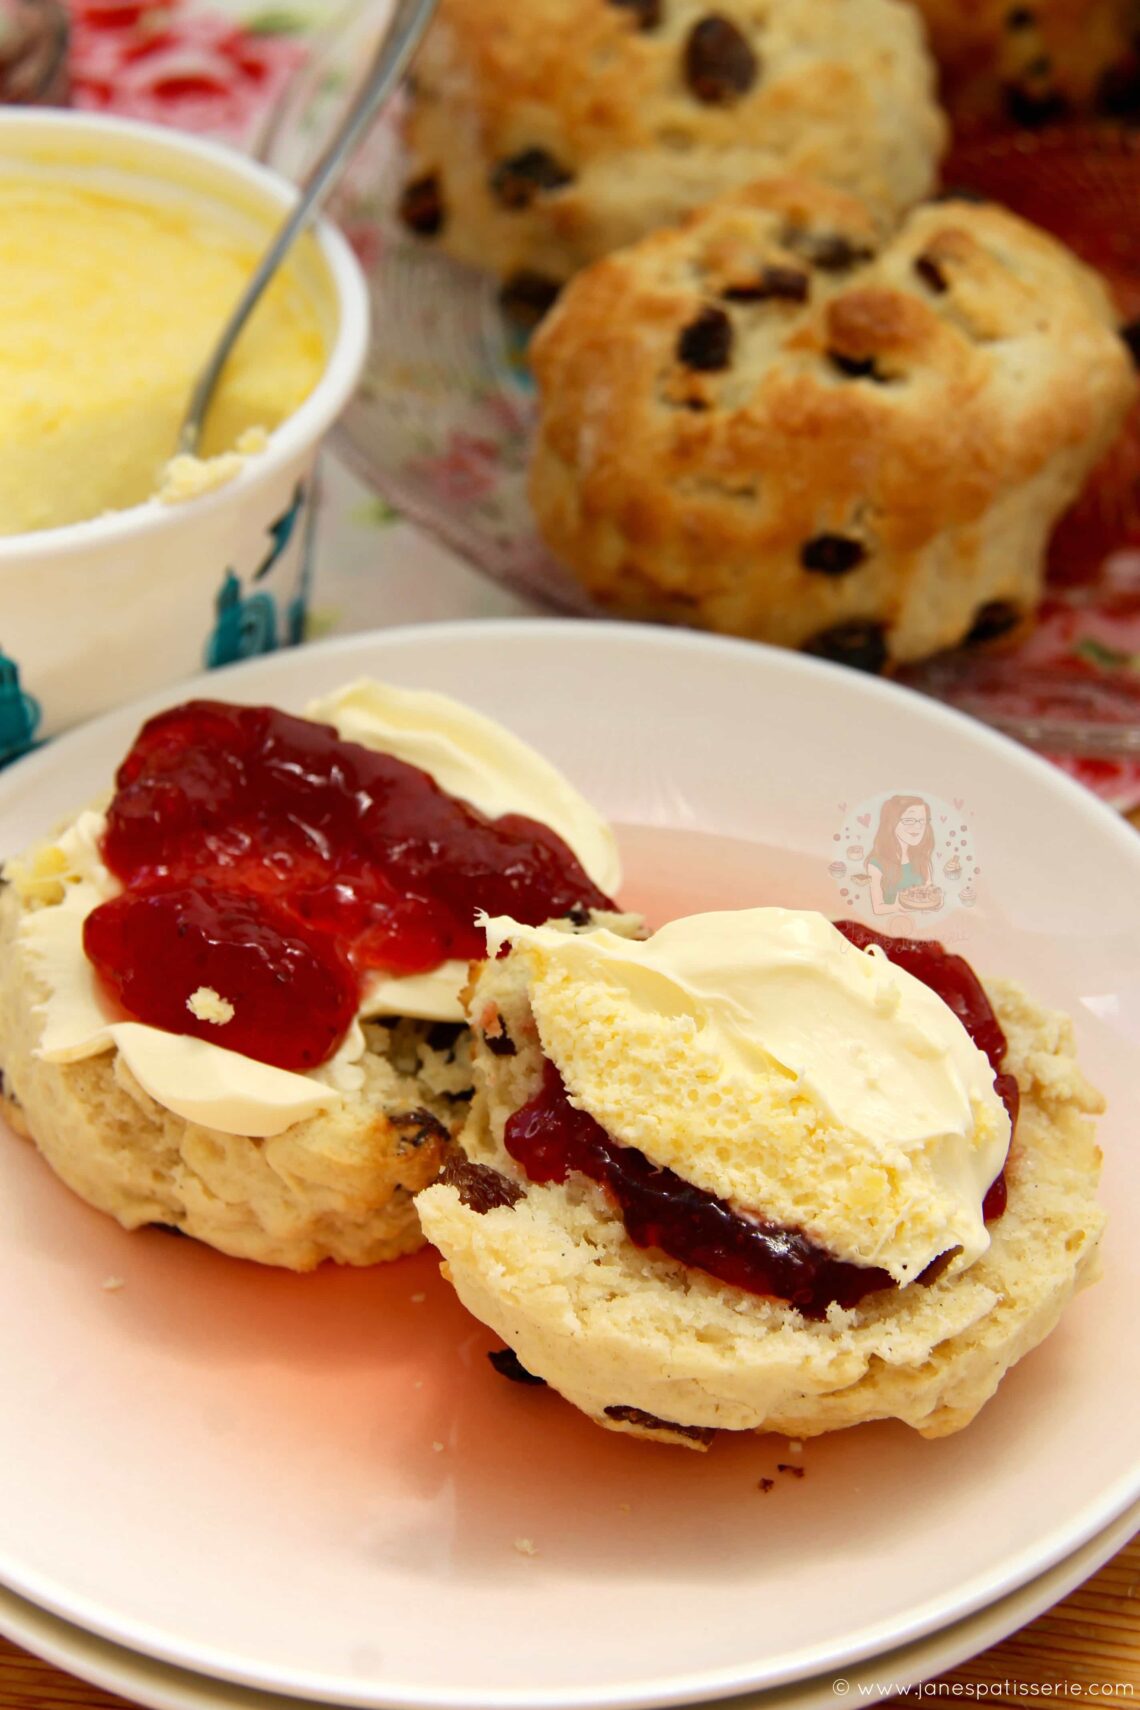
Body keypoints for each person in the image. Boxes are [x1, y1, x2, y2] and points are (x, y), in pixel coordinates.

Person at [866, 794, 934, 919]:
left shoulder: (923, 860)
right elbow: (877, 908)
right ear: (892, 822)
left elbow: (929, 894)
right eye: (909, 820)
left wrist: (933, 906)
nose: (918, 826)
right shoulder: (876, 863)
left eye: (922, 820)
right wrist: (897, 907)